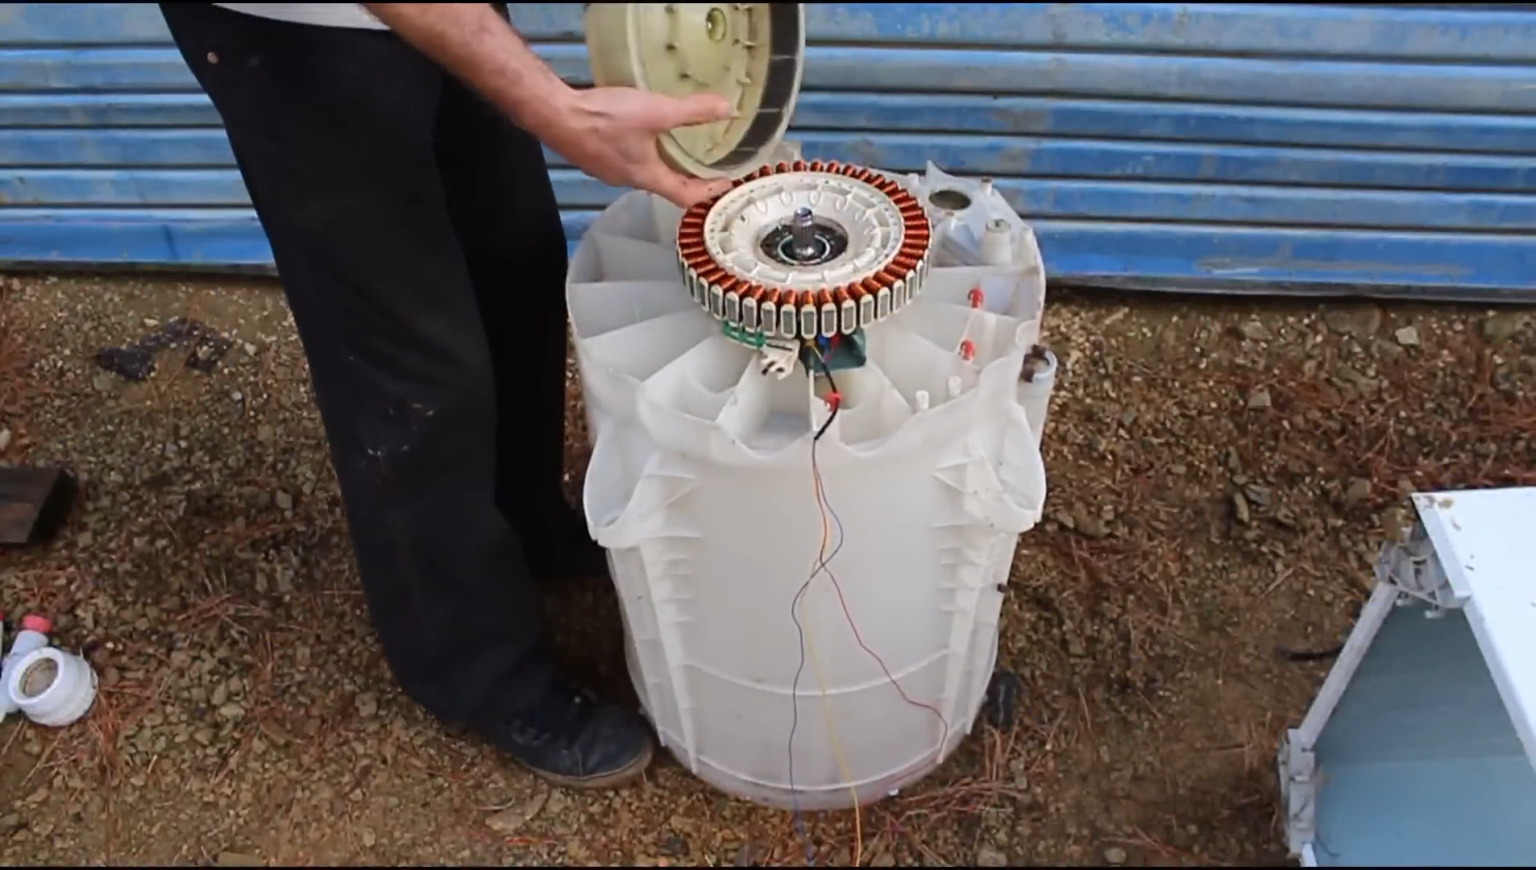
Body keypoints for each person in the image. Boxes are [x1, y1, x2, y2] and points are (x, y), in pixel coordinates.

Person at [158, 2, 734, 789]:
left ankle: (524, 525)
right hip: (293, 30)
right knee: (411, 370)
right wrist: (556, 107)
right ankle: (473, 665)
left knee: (516, 261)